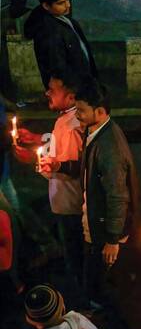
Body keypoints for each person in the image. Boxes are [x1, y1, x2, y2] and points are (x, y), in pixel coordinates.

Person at [76, 79, 137, 329]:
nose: (77, 115)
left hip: (107, 230)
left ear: (99, 111)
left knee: (109, 284)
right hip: (99, 225)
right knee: (101, 280)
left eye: (81, 110)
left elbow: (117, 195)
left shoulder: (109, 146)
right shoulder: (98, 134)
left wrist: (113, 238)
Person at [13, 75, 84, 297]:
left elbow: (71, 167)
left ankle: (84, 302)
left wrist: (35, 161)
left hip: (69, 205)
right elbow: (57, 143)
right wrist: (37, 138)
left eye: (52, 90)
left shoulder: (72, 125)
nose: (47, 93)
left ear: (70, 96)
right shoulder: (66, 120)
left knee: (76, 259)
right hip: (63, 203)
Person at [23, 0, 98, 89]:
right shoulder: (48, 32)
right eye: (61, 3)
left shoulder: (64, 20)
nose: (68, 5)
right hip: (72, 93)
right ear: (46, 6)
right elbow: (59, 70)